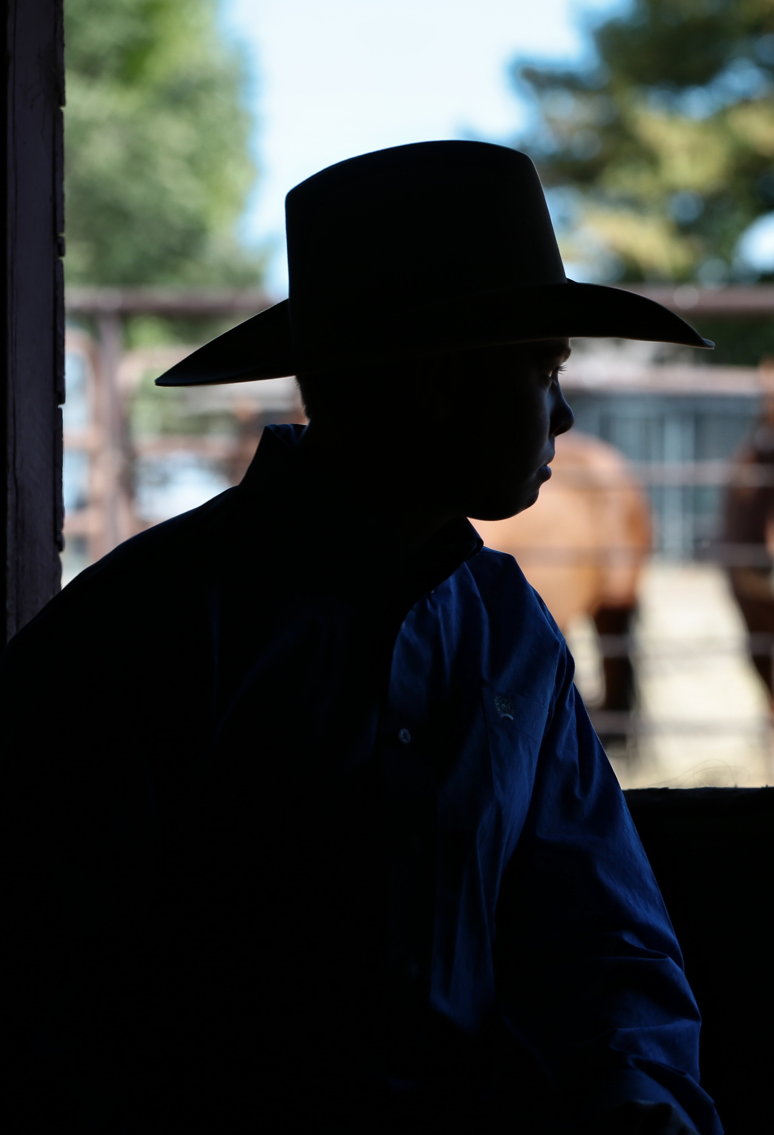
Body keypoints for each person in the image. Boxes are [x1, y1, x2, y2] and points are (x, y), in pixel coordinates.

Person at [0, 142, 723, 1135]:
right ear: (437, 380)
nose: (562, 409)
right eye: (541, 366)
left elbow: (605, 948)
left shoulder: (509, 634)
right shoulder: (150, 637)